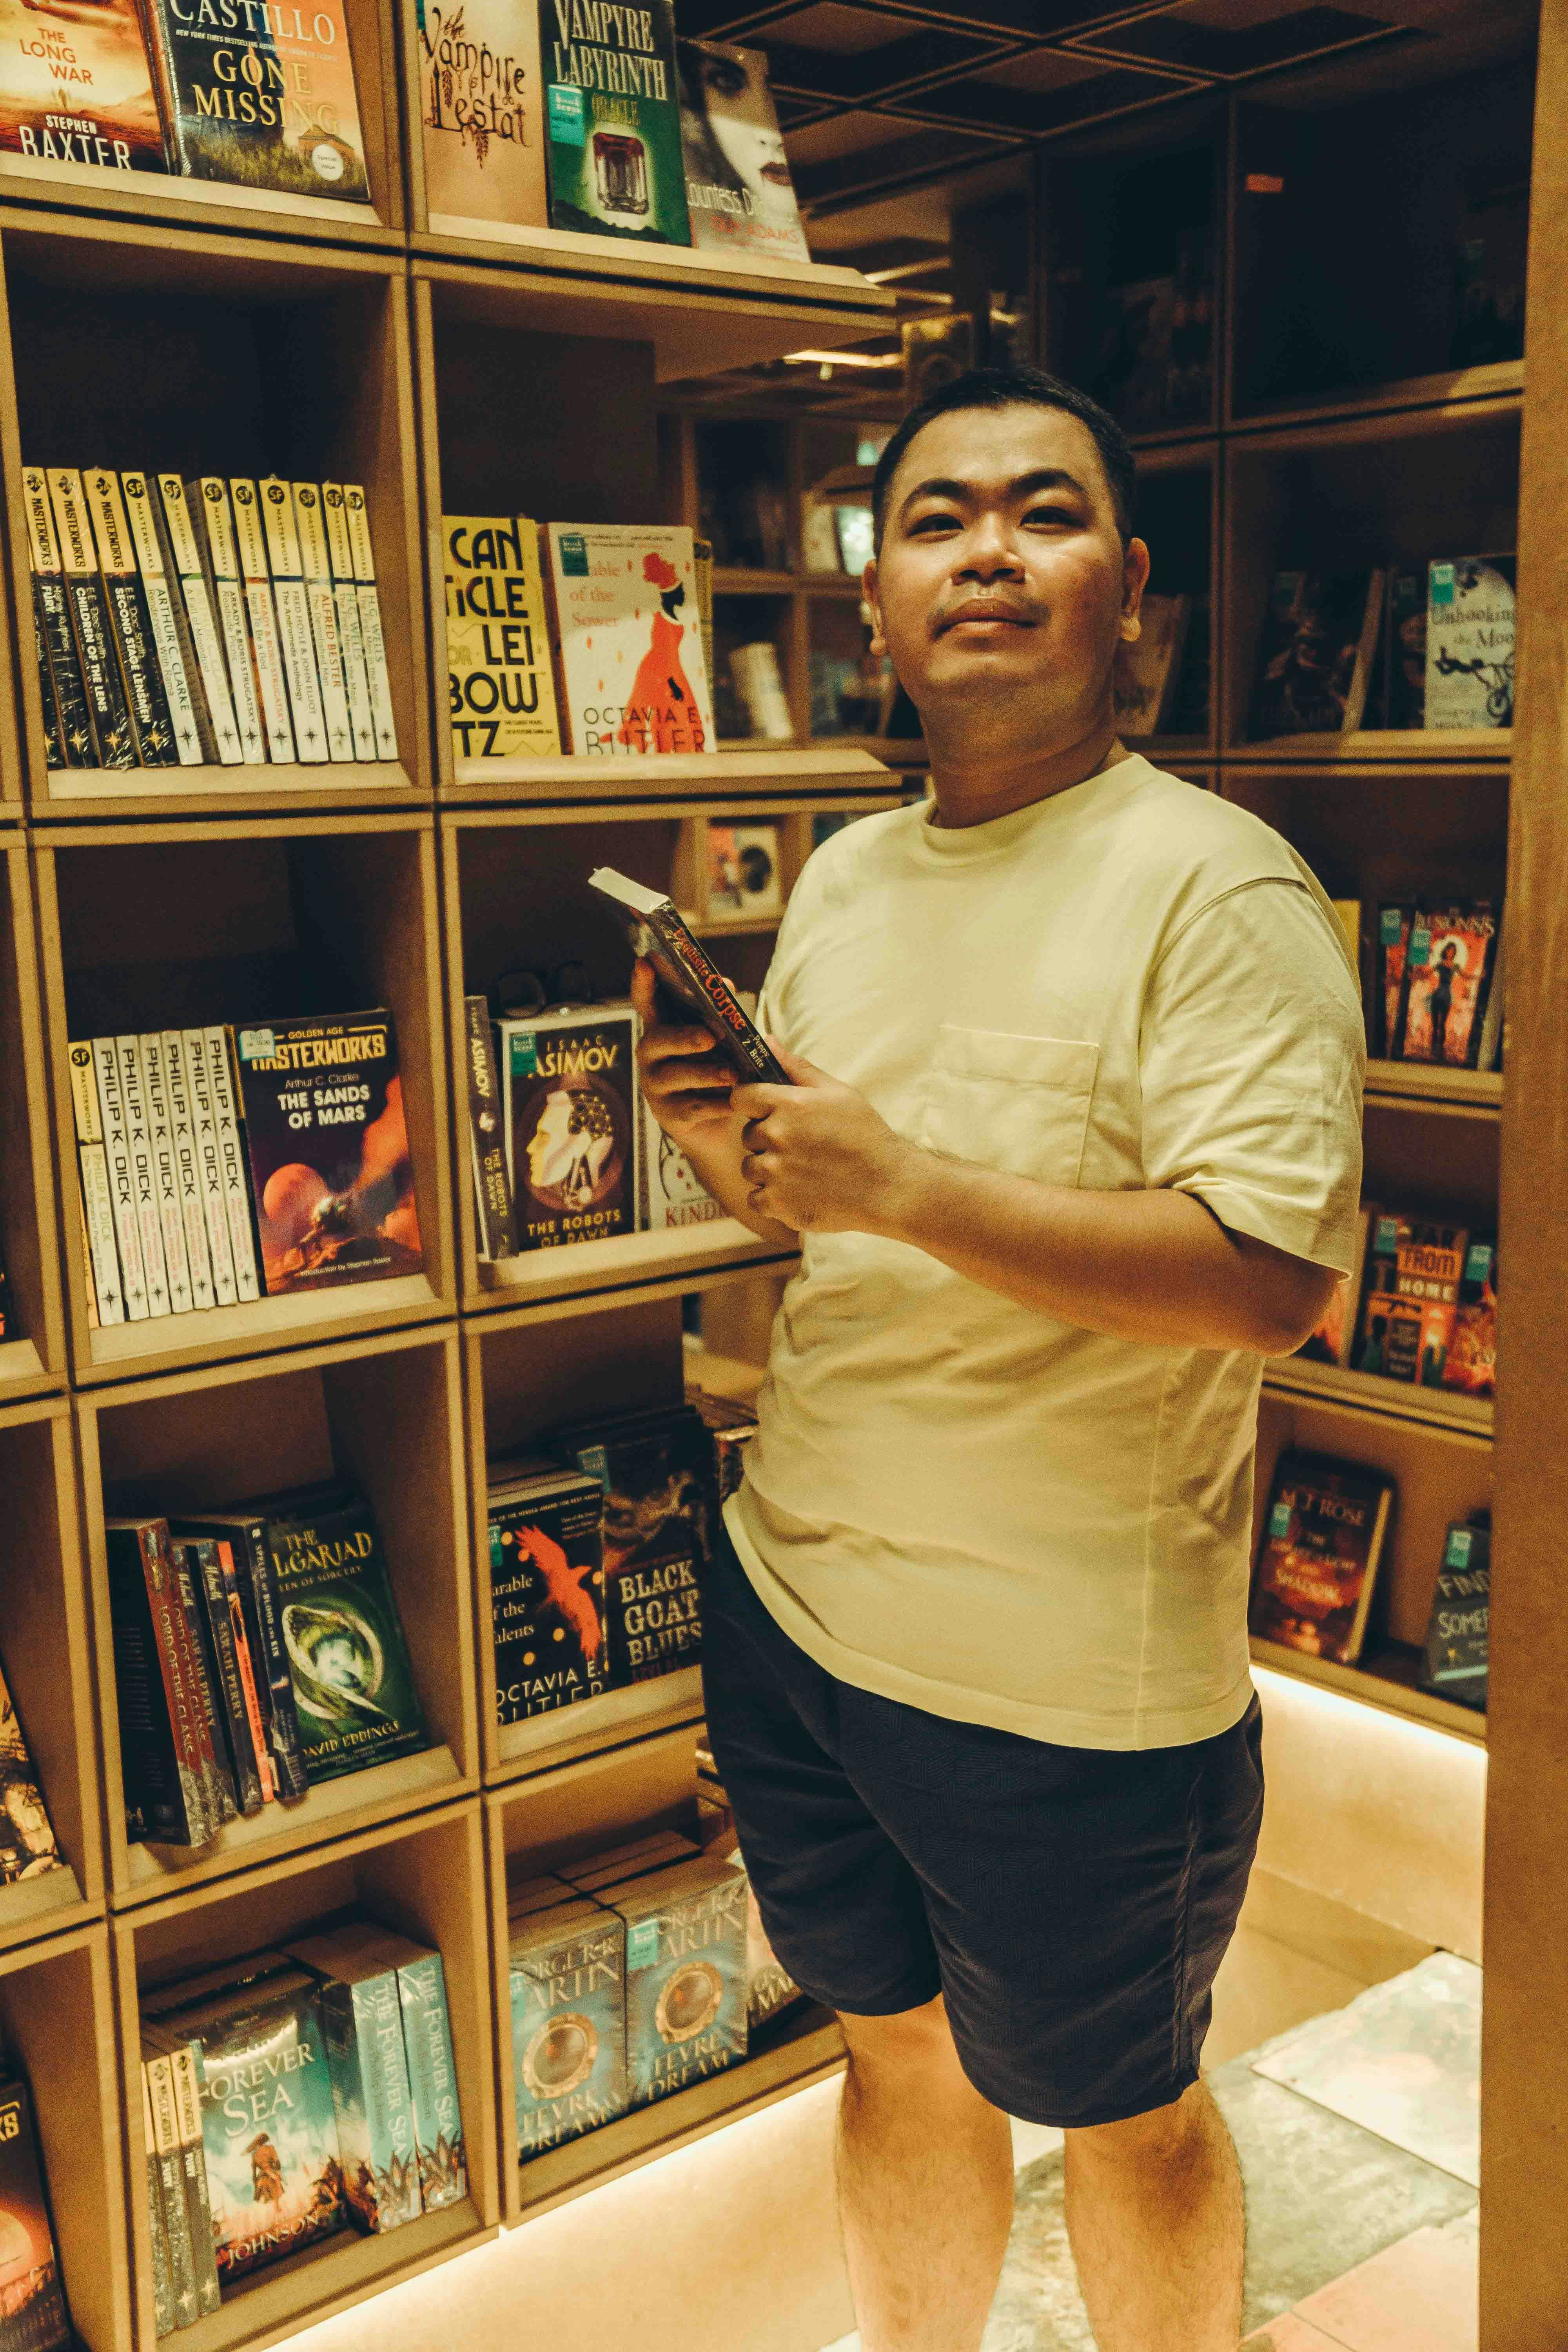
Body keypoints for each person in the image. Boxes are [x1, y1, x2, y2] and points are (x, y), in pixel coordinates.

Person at [634, 364, 1364, 2352]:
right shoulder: (853, 877)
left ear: (1131, 590)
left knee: (1123, 2123)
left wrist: (903, 1182)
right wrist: (745, 1155)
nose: (985, 551)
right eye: (936, 517)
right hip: (800, 1605)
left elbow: (1263, 1274)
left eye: (1043, 513)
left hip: (1069, 1697)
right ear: (874, 598)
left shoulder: (1218, 886)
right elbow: (849, 1224)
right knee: (890, 2058)